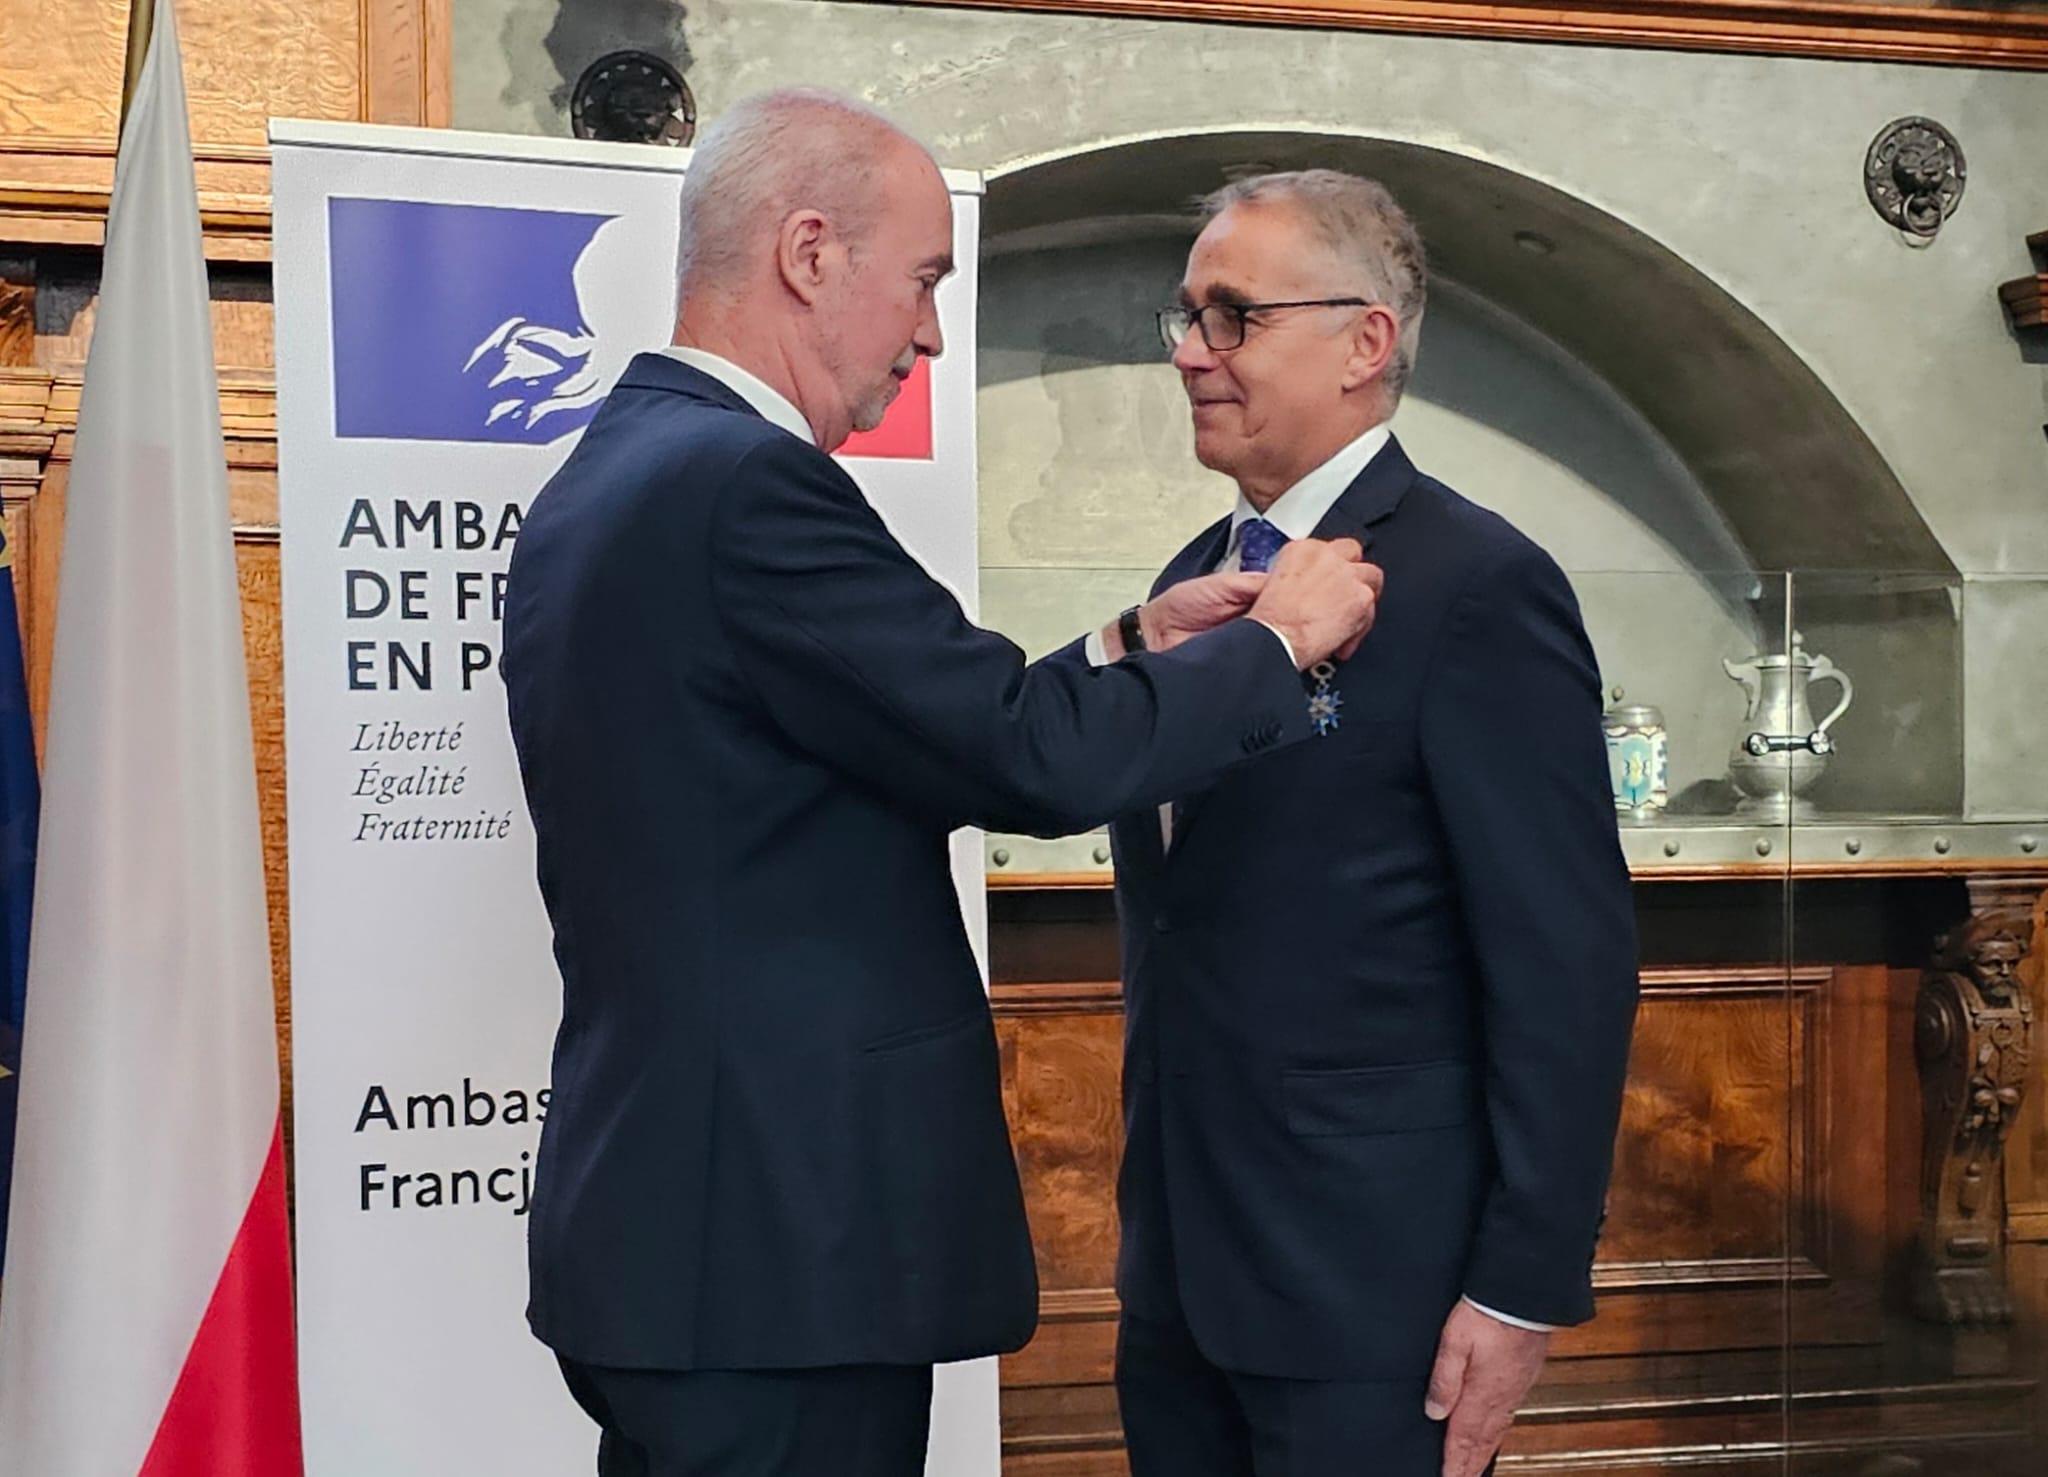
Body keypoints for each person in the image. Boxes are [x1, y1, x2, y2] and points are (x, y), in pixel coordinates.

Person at [500, 92, 1383, 1477]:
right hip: (777, 1254)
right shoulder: (746, 487)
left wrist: (1132, 644)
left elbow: (880, 724)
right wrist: (1275, 646)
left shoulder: (612, 477)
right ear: (806, 253)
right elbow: (1020, 754)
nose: (928, 333)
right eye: (920, 283)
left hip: (691, 1240)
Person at [1108, 169, 1640, 1477]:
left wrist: (1523, 1282)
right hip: (1179, 1272)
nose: (1191, 353)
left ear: (1365, 340)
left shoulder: (1478, 585)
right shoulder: (1190, 583)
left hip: (1374, 1294)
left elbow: (1563, 962)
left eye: (1231, 316)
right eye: (1183, 316)